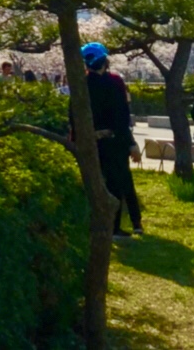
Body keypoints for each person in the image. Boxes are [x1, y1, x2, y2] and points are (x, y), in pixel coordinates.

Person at [77, 42, 143, 239]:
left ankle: (116, 225)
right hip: (113, 140)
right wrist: (131, 142)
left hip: (97, 141)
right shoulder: (114, 82)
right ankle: (123, 225)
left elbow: (75, 115)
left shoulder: (83, 83)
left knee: (108, 182)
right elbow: (122, 114)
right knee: (119, 181)